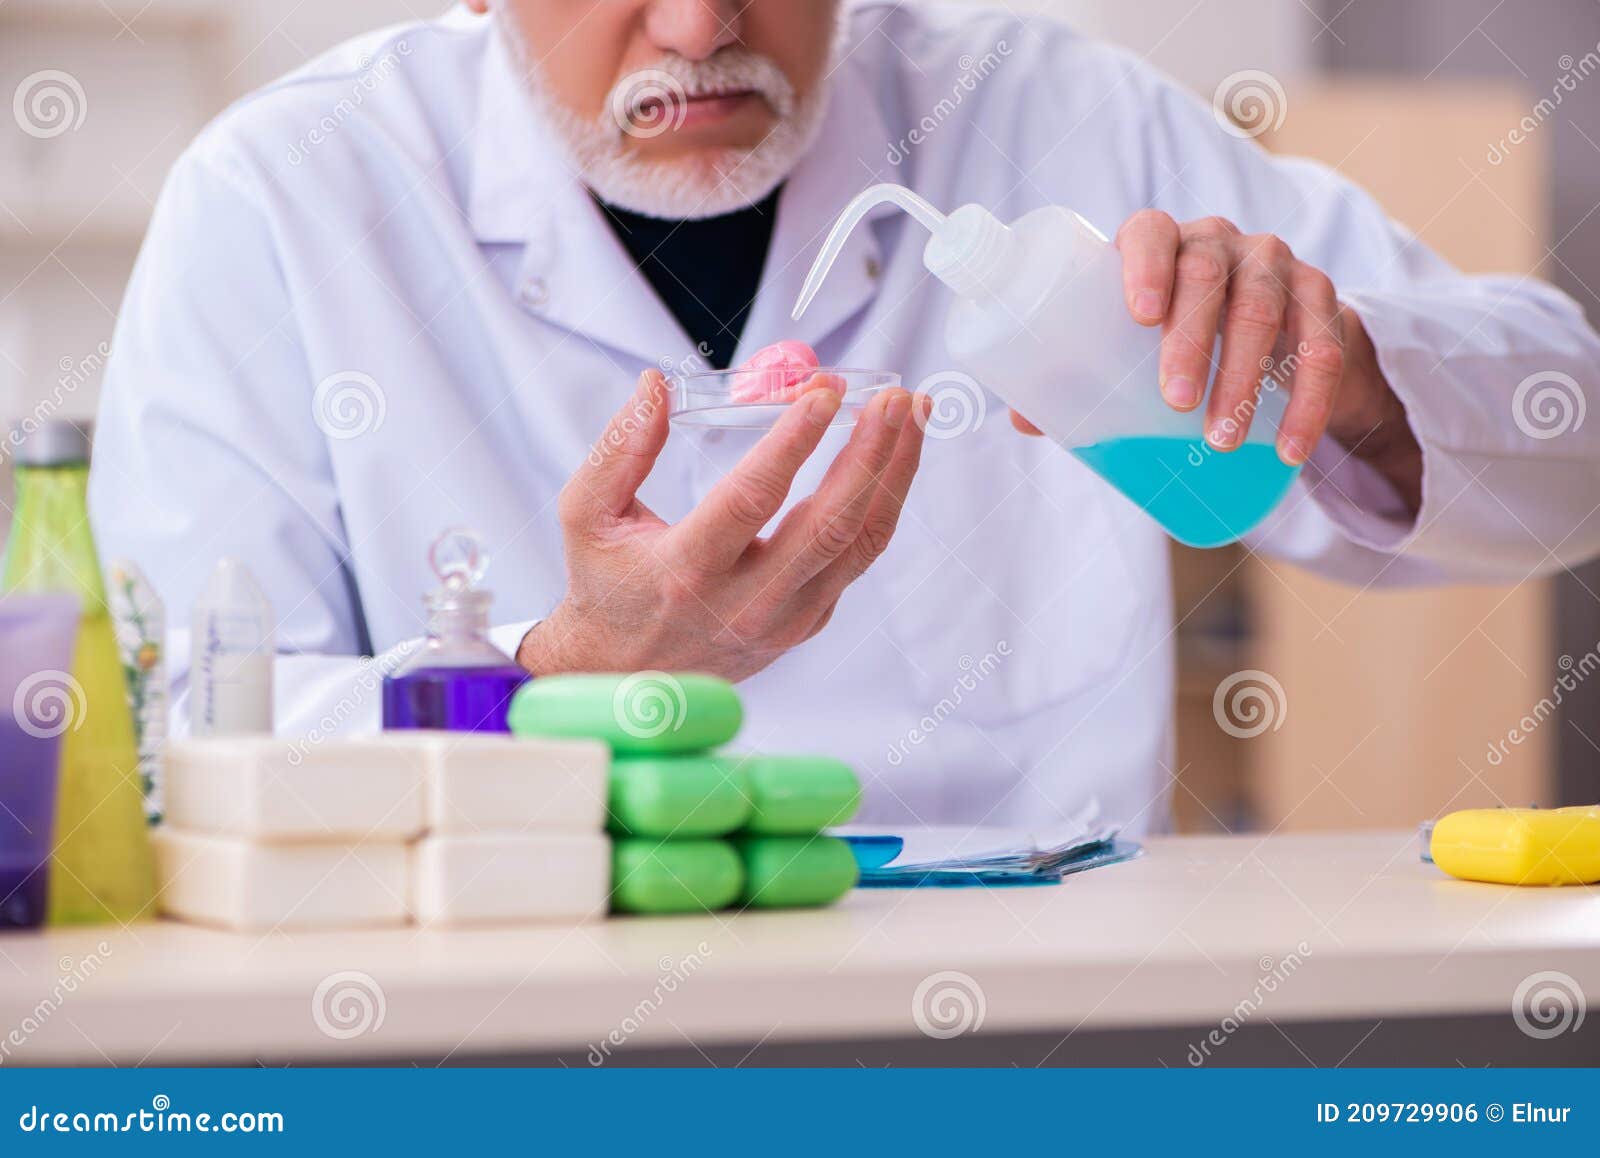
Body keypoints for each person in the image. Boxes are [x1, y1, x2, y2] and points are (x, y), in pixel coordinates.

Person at [90, 1, 1600, 832]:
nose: (696, 26)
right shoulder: (287, 199)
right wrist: (553, 682)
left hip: (1031, 1044)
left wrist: (1359, 375)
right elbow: (183, 749)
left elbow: (1569, 432)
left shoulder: (1052, 116)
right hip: (498, 1032)